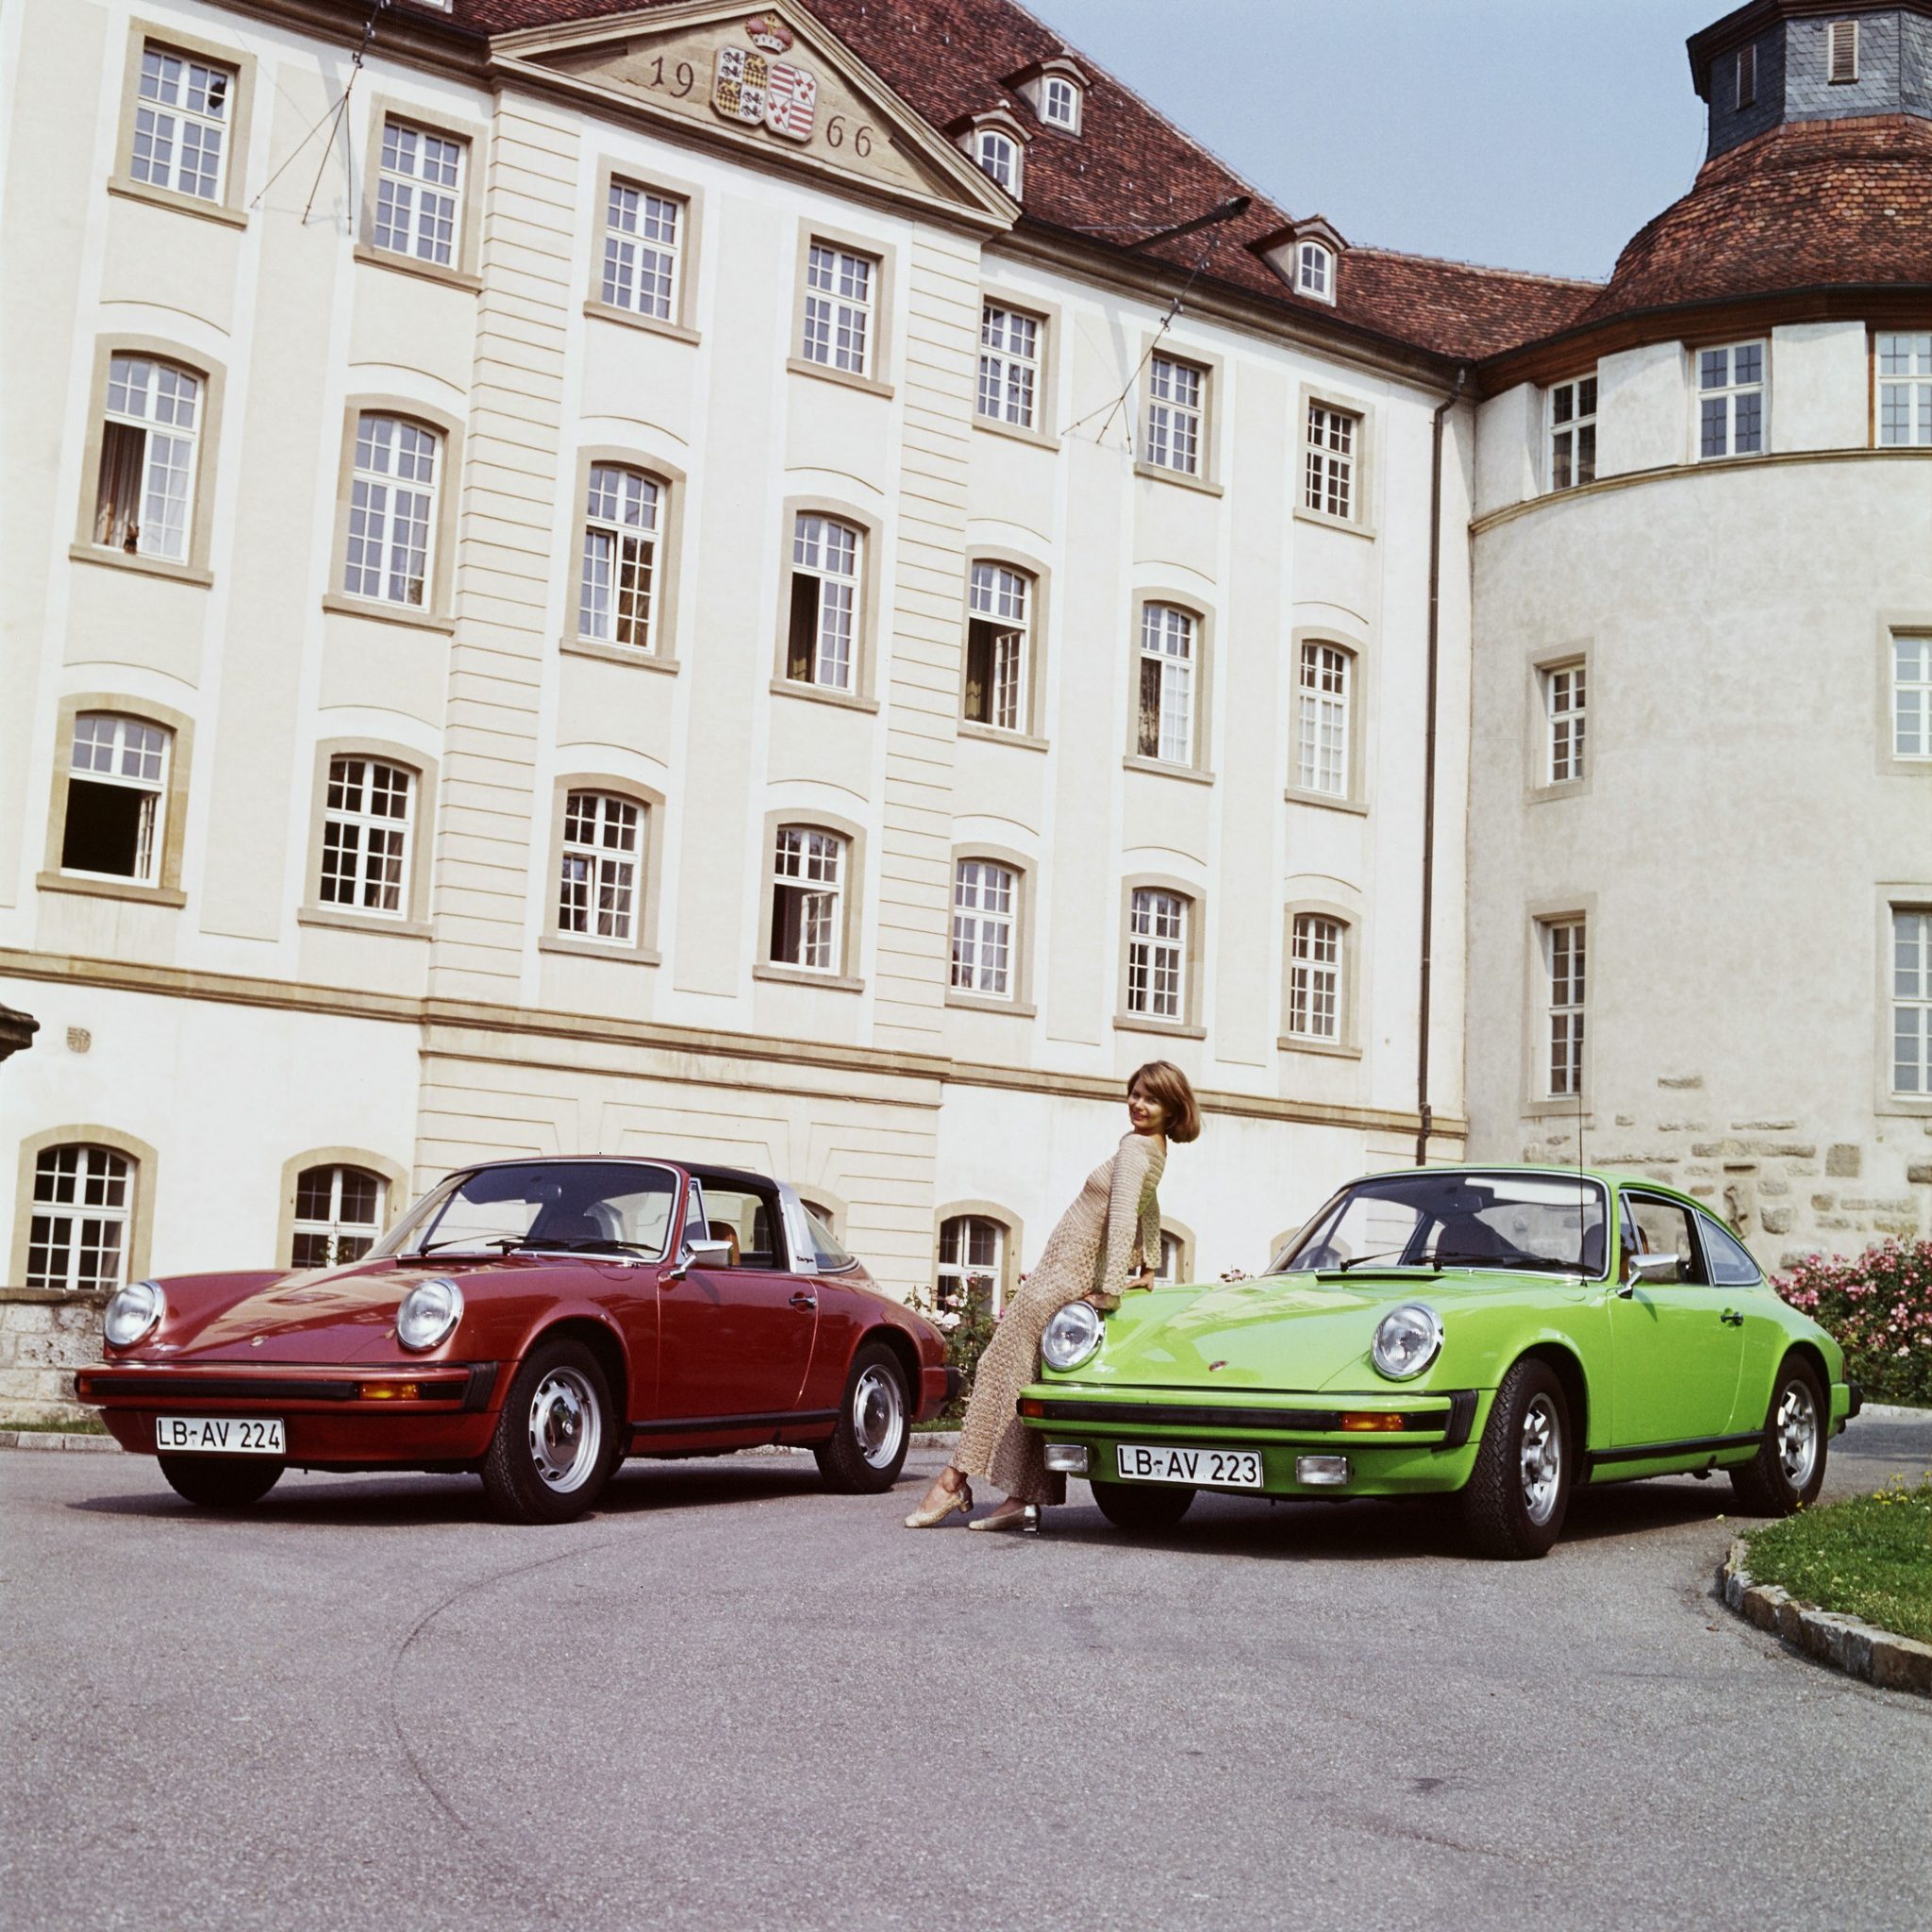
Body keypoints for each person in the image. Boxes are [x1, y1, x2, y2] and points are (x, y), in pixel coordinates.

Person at [904, 1060, 1201, 1533]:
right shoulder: (1155, 1151)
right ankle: (1022, 1498)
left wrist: (1109, 1288)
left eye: (1151, 1099)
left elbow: (1124, 1212)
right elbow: (1149, 1202)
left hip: (1066, 1271)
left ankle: (952, 1479)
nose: (1137, 1104)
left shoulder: (1135, 1147)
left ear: (1171, 1109)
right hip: (1065, 1268)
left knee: (996, 1365)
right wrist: (1149, 1266)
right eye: (1134, 1093)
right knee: (1023, 1376)